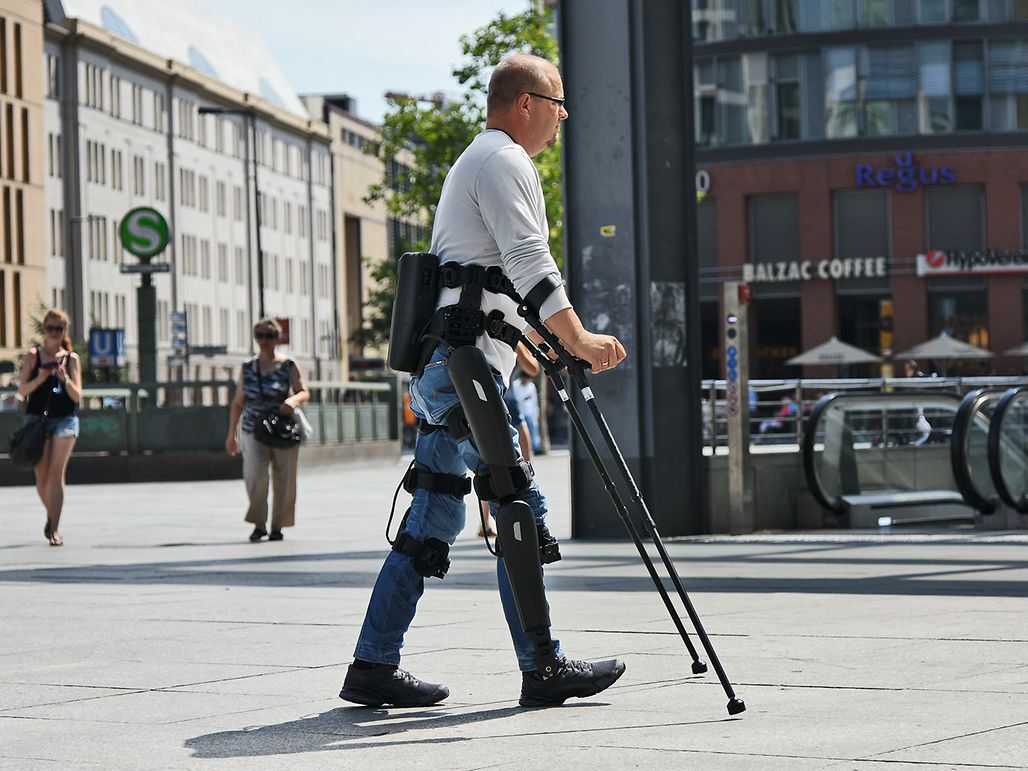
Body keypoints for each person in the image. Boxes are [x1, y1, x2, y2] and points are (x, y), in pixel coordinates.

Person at [340, 54, 627, 710]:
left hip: (454, 365)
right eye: (558, 105)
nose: (562, 119)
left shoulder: (482, 159)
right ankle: (543, 664)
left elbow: (481, 283)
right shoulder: (504, 160)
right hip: (462, 369)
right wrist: (577, 338)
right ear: (524, 103)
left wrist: (524, 346)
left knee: (435, 515)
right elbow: (528, 261)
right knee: (516, 498)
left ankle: (372, 663)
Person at [225, 318, 310, 542]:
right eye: (260, 336)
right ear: (255, 338)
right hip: (253, 428)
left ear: (277, 338)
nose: (265, 340)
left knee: (285, 479)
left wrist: (292, 401)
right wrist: (231, 435)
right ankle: (259, 524)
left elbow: (303, 391)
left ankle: (277, 526)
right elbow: (238, 402)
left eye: (270, 336)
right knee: (255, 476)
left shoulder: (288, 365)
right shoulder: (247, 367)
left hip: (283, 428)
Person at [16, 309, 82, 546]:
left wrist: (65, 379)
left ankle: (54, 528)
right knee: (42, 480)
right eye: (50, 328)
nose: (54, 333)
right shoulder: (33, 356)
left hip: (65, 419)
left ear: (64, 331)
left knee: (55, 476)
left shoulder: (71, 358)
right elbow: (22, 391)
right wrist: (41, 377)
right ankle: (51, 515)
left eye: (59, 329)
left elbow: (77, 396)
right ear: (44, 329)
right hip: (36, 421)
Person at [511, 369, 541, 453]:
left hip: (530, 411)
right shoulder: (515, 385)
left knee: (533, 430)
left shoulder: (531, 386)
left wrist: (536, 411)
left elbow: (535, 400)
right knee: (520, 430)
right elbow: (514, 398)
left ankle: (534, 449)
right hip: (519, 411)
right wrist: (523, 398)